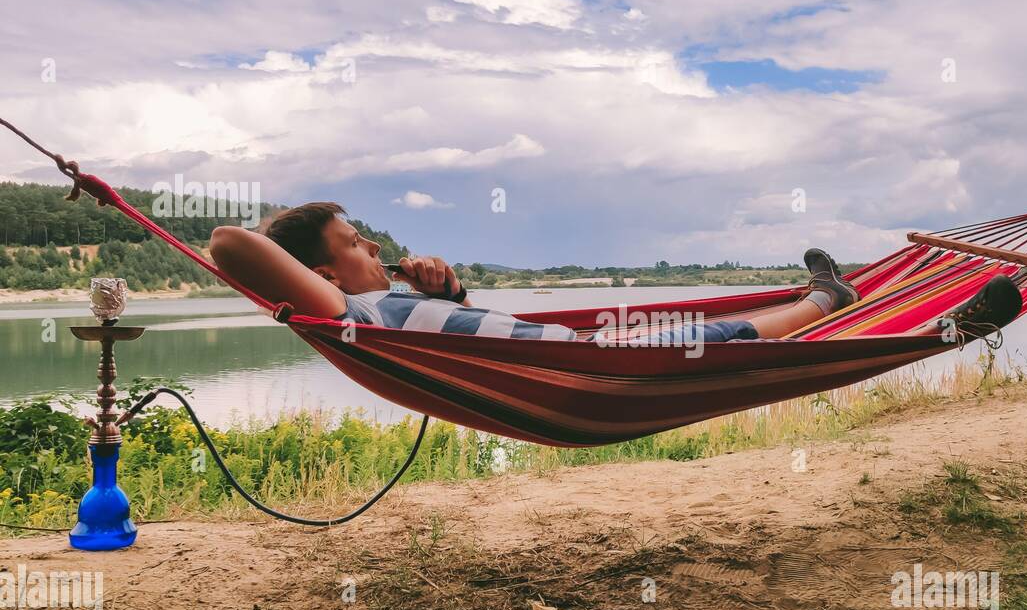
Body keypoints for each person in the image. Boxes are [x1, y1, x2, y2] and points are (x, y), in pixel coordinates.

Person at [208, 202, 861, 344]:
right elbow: (227, 242)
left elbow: (468, 328)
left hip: (575, 351)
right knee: (716, 341)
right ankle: (825, 301)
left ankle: (816, 297)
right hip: (591, 365)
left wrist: (450, 291)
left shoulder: (390, 308)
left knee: (697, 326)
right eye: (355, 242)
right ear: (325, 274)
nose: (375, 245)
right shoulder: (354, 312)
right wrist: (309, 269)